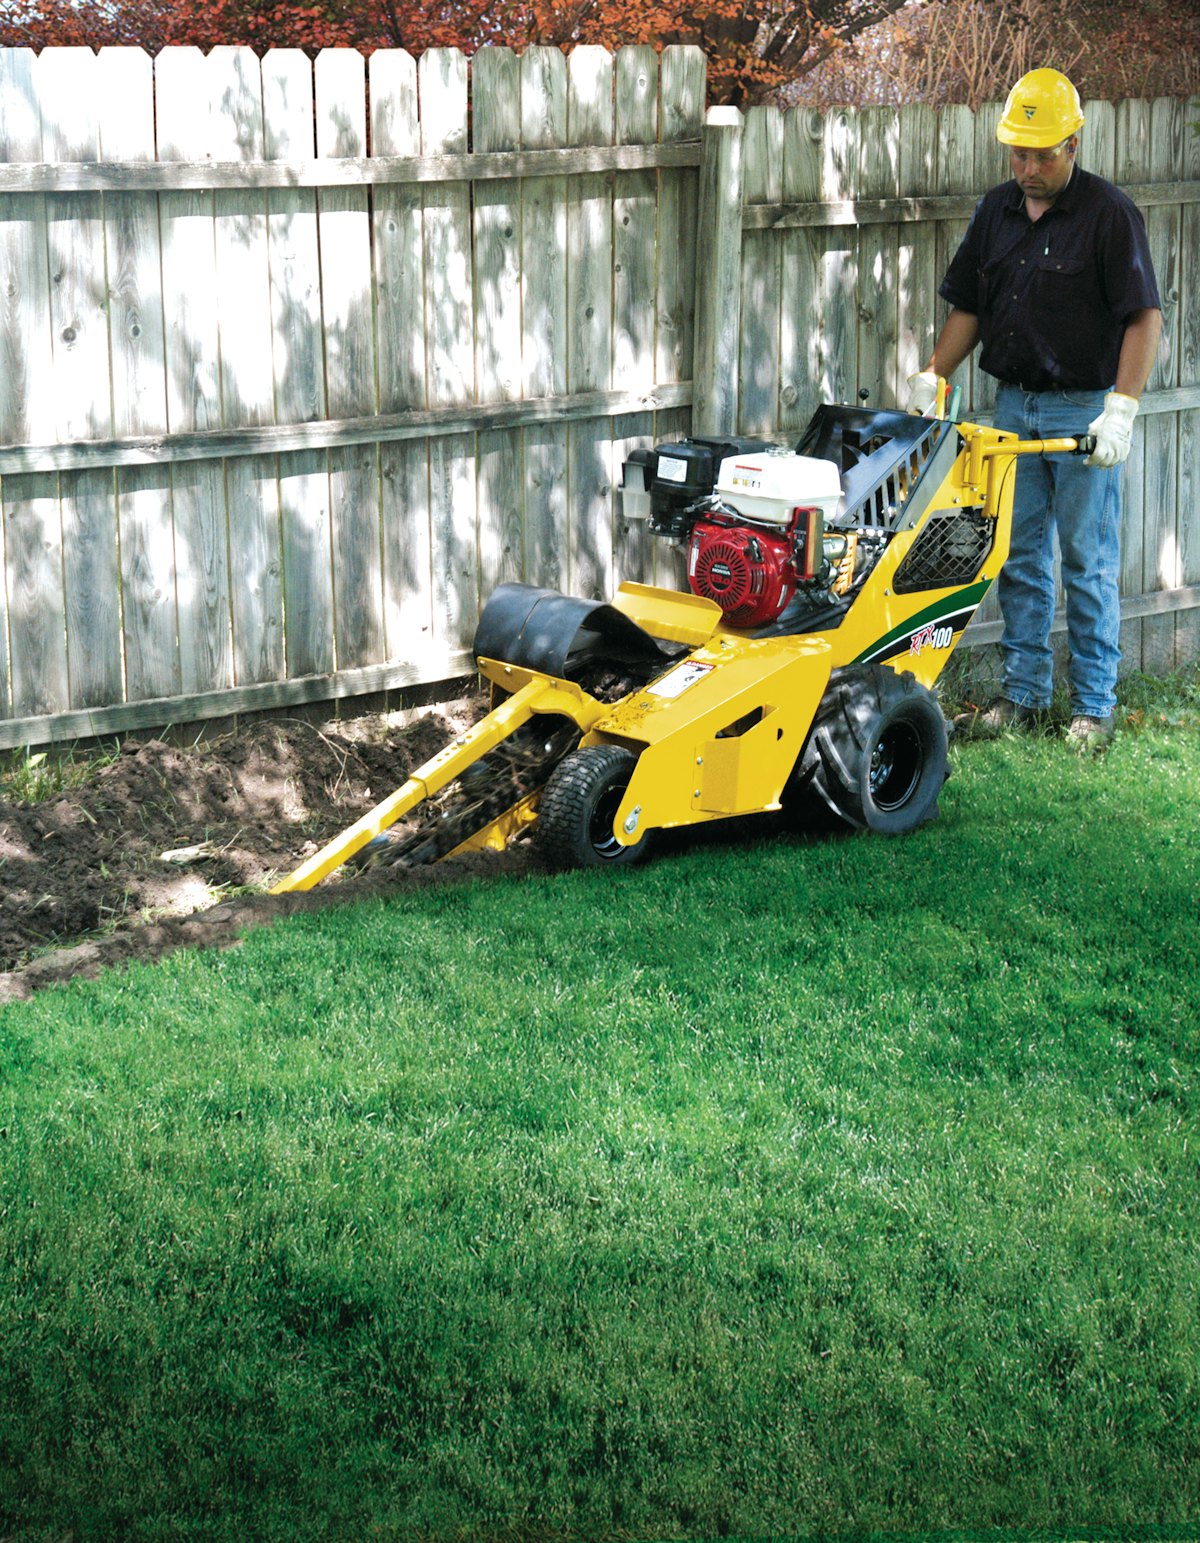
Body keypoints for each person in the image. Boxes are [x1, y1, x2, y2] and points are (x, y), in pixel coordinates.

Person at [906, 67, 1162, 752]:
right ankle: (1021, 695)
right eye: (1017, 152)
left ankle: (1094, 707)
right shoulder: (996, 211)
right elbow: (972, 306)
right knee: (1016, 557)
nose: (1026, 166)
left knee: (1086, 560)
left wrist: (1123, 407)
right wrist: (934, 375)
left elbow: (1143, 318)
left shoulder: (1110, 216)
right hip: (1011, 410)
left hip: (1083, 414)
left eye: (1040, 153)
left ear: (1072, 142)